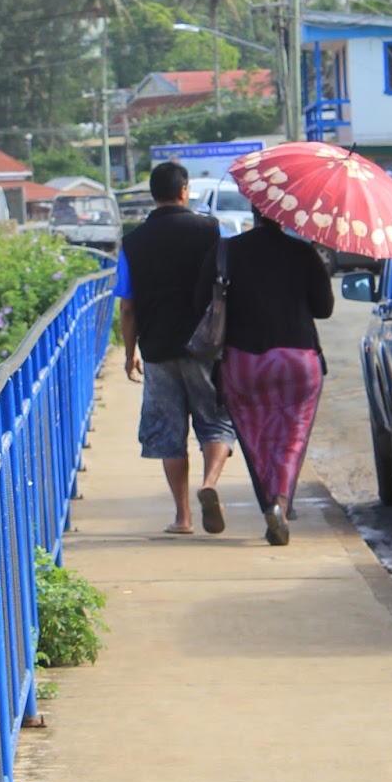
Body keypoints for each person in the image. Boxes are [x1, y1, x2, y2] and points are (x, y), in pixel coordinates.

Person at [195, 209, 334, 547]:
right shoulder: (304, 253)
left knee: (256, 439)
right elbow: (324, 308)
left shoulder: (225, 251)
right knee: (291, 438)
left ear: (253, 211)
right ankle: (280, 508)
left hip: (243, 362)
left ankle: (269, 503)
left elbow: (201, 301)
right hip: (297, 360)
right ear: (285, 215)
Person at [116, 160, 236, 535]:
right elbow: (225, 285)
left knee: (169, 432)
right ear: (184, 191)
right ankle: (210, 483)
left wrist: (129, 351)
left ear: (154, 195)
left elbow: (128, 305)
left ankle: (183, 517)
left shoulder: (133, 242)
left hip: (157, 348)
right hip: (205, 344)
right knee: (215, 420)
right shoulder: (209, 230)